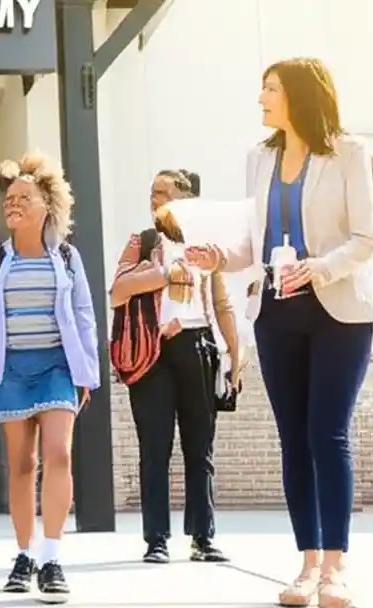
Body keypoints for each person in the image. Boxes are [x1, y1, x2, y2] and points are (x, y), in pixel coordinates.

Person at [188, 57, 373, 608]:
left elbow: (366, 237)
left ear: (298, 94)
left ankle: (335, 569)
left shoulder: (348, 152)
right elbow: (254, 241)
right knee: (294, 439)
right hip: (275, 310)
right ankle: (306, 564)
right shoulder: (259, 159)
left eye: (270, 89)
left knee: (328, 434)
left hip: (338, 310)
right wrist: (217, 255)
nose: (261, 99)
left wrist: (318, 267)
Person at [0, 153, 100, 603]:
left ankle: (53, 557)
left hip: (58, 367)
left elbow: (84, 316)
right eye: (10, 197)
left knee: (58, 454)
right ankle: (24, 554)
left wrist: (87, 374)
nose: (12, 203)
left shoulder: (66, 255)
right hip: (11, 372)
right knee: (22, 465)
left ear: (47, 205)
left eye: (24, 196)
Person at [108, 169, 239, 564]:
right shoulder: (142, 242)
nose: (155, 198)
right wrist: (163, 273)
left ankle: (203, 537)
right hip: (152, 351)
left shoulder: (206, 247)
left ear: (186, 199)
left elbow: (221, 303)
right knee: (155, 448)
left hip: (197, 345)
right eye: (152, 192)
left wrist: (235, 354)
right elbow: (117, 292)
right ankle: (157, 540)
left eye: (164, 192)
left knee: (200, 448)